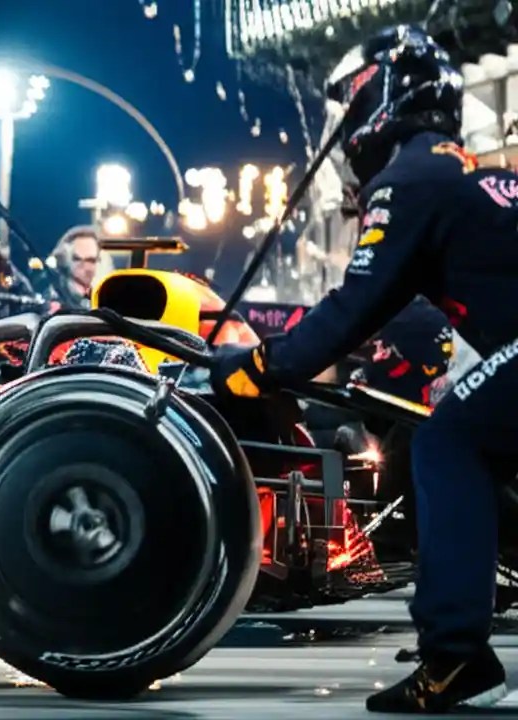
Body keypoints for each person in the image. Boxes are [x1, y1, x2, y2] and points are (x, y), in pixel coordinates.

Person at [210, 26, 514, 713]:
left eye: (348, 100)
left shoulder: (410, 177)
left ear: (377, 96)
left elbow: (354, 308)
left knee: (448, 440)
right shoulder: (454, 169)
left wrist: (256, 365)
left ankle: (455, 659)